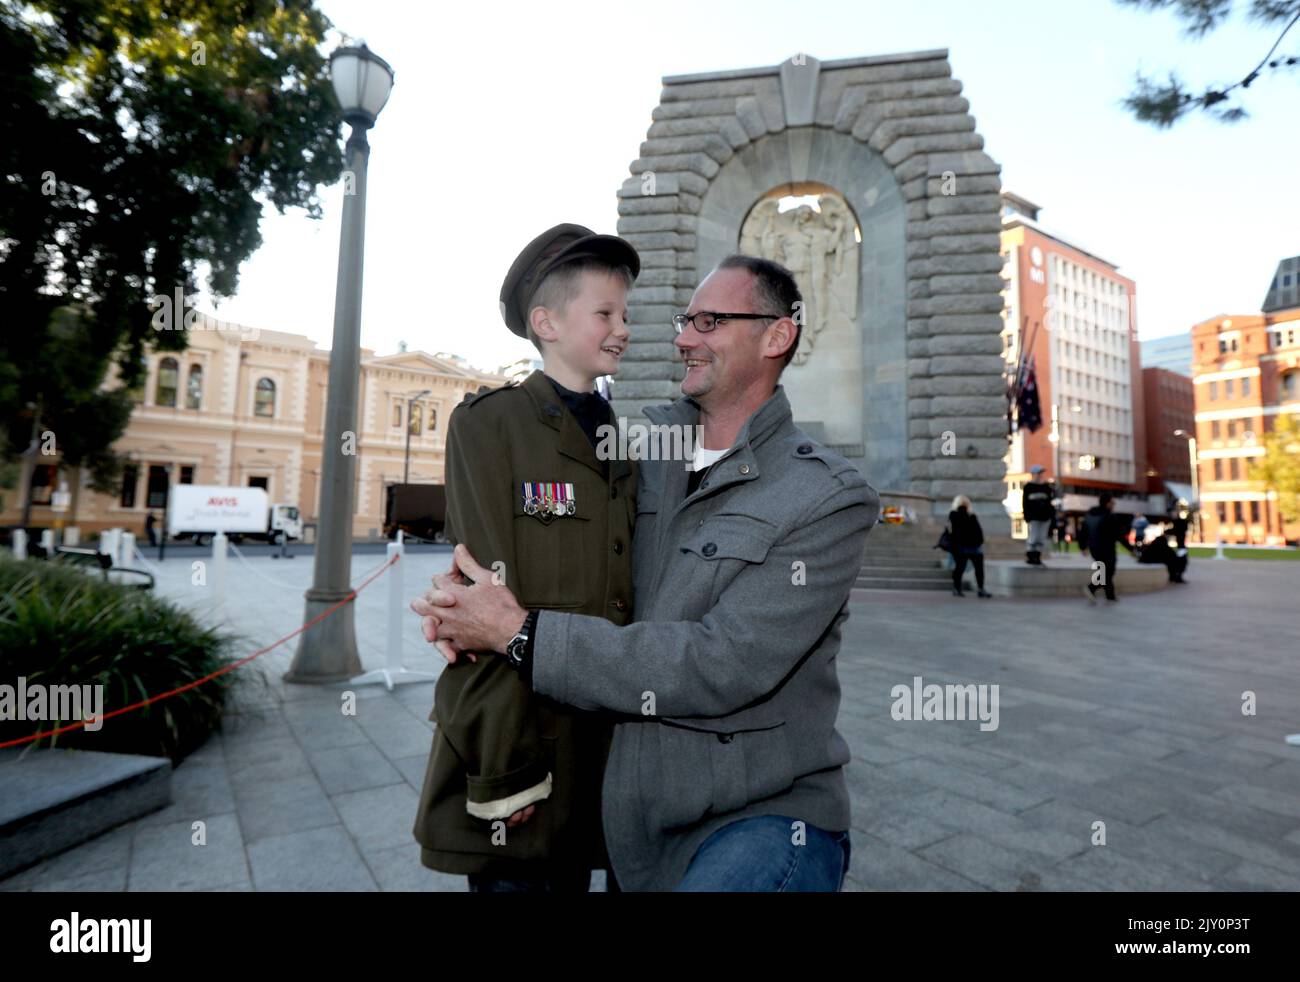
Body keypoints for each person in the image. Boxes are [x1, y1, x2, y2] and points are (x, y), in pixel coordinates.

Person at [413, 255, 878, 892]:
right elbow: (552, 549)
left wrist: (518, 632)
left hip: (762, 814)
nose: (683, 336)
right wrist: (460, 604)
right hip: (630, 813)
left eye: (710, 321)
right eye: (687, 320)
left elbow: (723, 662)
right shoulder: (630, 447)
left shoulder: (827, 495)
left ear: (776, 336)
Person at [410, 224, 640, 893]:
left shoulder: (623, 438)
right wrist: (505, 773)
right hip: (531, 753)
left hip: (612, 754)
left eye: (625, 314)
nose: (621, 327)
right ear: (546, 322)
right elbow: (484, 608)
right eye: (604, 313)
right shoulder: (492, 424)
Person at [1080, 491, 1137, 603]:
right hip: (1107, 549)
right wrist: (1131, 549)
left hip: (1094, 548)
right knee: (1108, 572)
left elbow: (1083, 532)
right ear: (1108, 503)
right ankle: (1091, 588)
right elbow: (1119, 535)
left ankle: (1110, 595)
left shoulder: (1090, 514)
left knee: (1104, 570)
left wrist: (1083, 546)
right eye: (1113, 502)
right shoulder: (1109, 517)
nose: (1114, 505)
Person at [947, 495, 992, 598]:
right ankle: (981, 589)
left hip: (961, 547)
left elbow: (952, 532)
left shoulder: (953, 515)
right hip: (974, 546)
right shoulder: (971, 515)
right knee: (979, 569)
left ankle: (957, 589)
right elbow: (978, 531)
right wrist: (979, 542)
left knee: (959, 569)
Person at [1021, 465, 1055, 566]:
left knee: (1041, 537)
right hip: (1034, 517)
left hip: (1045, 517)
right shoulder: (1028, 487)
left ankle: (1038, 556)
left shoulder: (1046, 487)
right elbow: (1025, 503)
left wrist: (1051, 516)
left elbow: (1050, 502)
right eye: (1038, 473)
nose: (1040, 475)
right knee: (1034, 536)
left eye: (1041, 473)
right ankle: (1031, 556)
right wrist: (1027, 516)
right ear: (1033, 474)